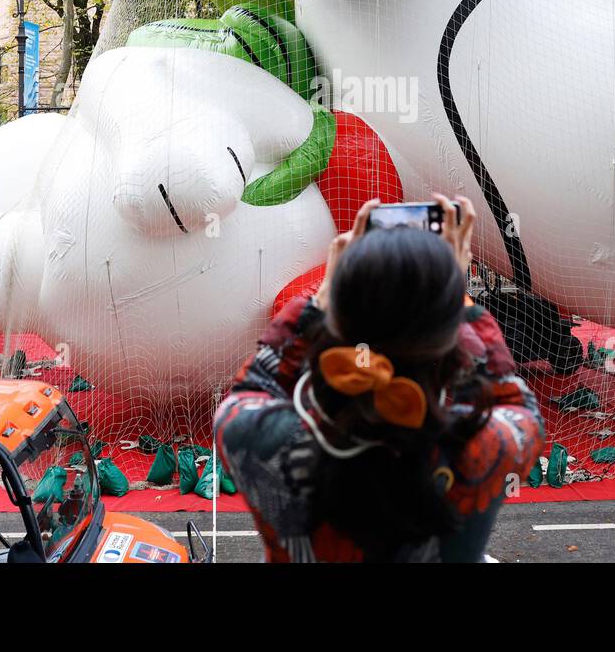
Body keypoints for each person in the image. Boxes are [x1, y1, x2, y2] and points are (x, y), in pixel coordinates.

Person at [214, 194, 545, 562]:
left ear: (335, 323)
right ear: (449, 335)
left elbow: (253, 388)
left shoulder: (260, 442)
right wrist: (456, 296)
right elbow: (511, 399)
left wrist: (317, 302)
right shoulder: (486, 449)